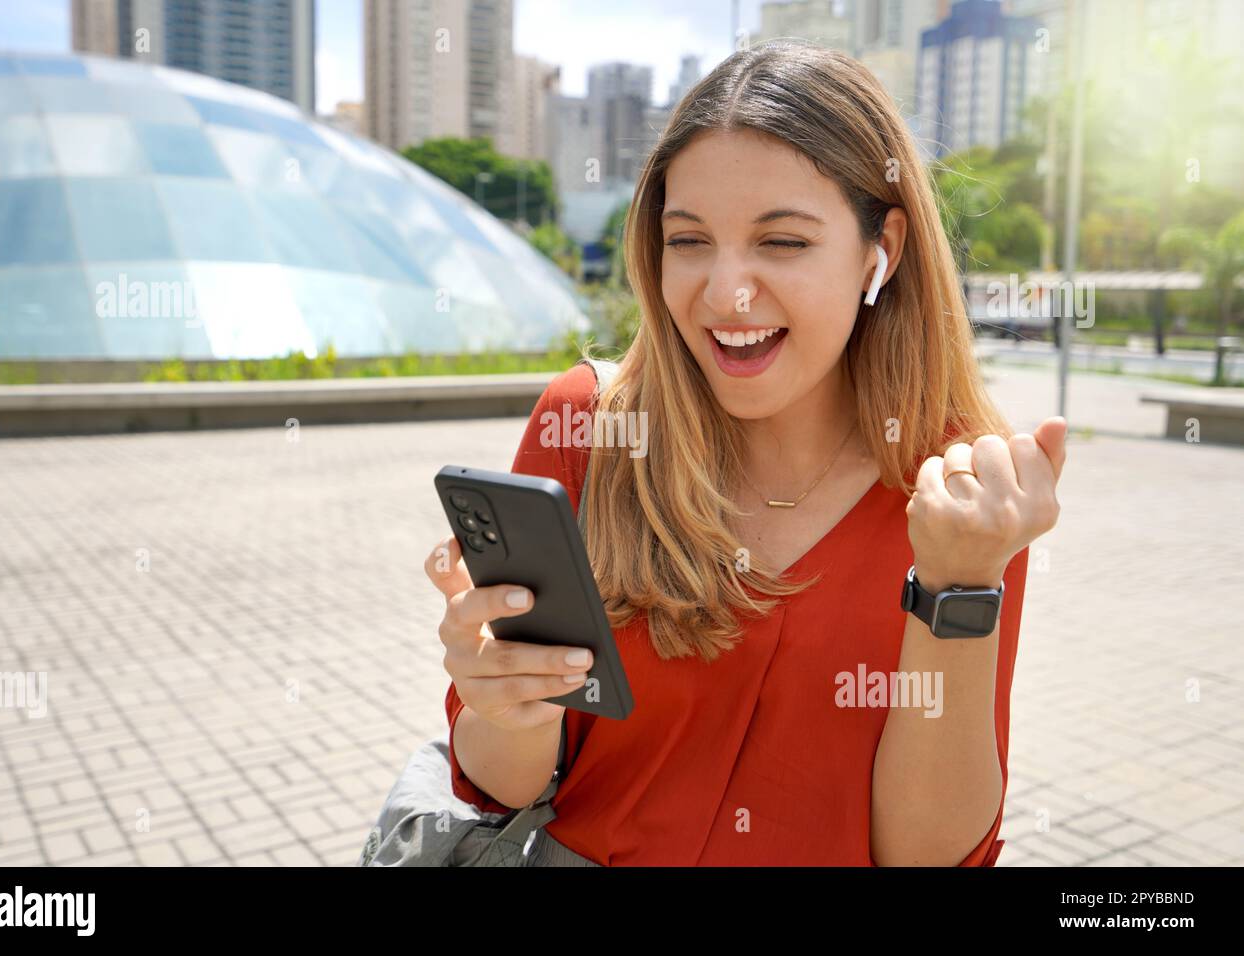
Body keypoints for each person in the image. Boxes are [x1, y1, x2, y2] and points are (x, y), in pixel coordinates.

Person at [425, 39, 1066, 866]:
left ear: (884, 250)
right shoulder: (587, 427)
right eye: (688, 241)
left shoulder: (961, 494)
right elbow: (503, 784)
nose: (725, 293)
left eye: (783, 242)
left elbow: (927, 853)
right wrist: (505, 704)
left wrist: (960, 586)